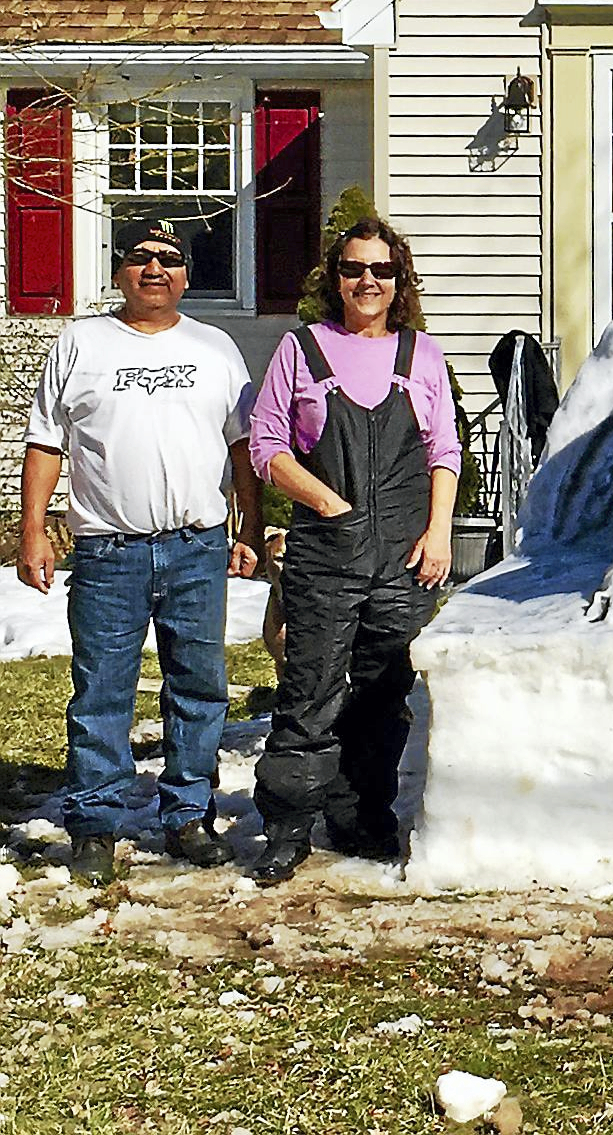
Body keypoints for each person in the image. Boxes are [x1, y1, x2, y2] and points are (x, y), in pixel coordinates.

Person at [18, 218, 262, 885]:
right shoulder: (81, 341)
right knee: (100, 694)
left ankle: (187, 816)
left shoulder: (216, 348)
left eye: (170, 259)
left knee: (199, 689)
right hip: (107, 554)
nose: (155, 269)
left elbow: (244, 448)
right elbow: (46, 442)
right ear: (119, 269)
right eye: (140, 257)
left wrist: (249, 529)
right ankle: (95, 823)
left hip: (196, 549)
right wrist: (32, 531)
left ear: (187, 275)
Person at [246, 217, 459, 884]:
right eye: (354, 269)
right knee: (309, 692)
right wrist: (324, 502)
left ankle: (362, 817)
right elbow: (267, 447)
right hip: (325, 553)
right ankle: (286, 826)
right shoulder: (301, 349)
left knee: (380, 695)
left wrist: (440, 533)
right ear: (335, 279)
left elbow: (443, 451)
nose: (368, 281)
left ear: (400, 282)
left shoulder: (420, 355)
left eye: (382, 270)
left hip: (402, 555)